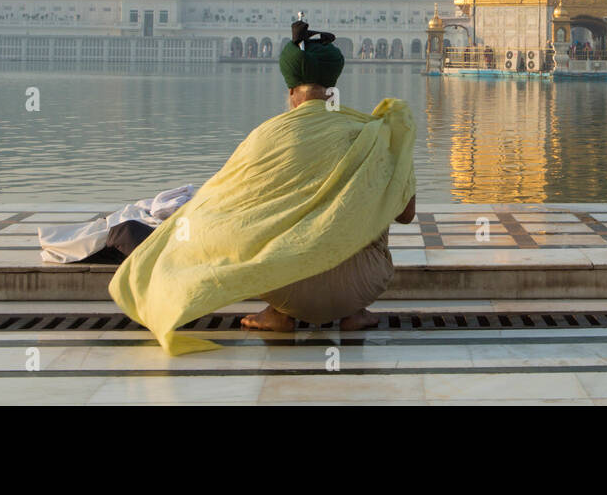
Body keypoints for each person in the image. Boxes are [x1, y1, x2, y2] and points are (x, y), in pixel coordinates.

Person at [109, 21, 416, 354]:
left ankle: (278, 314)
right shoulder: (373, 133)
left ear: (290, 91)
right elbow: (406, 215)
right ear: (333, 86)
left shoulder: (267, 137)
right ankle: (354, 314)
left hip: (285, 285)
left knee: (257, 222)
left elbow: (220, 205)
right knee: (370, 198)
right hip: (363, 283)